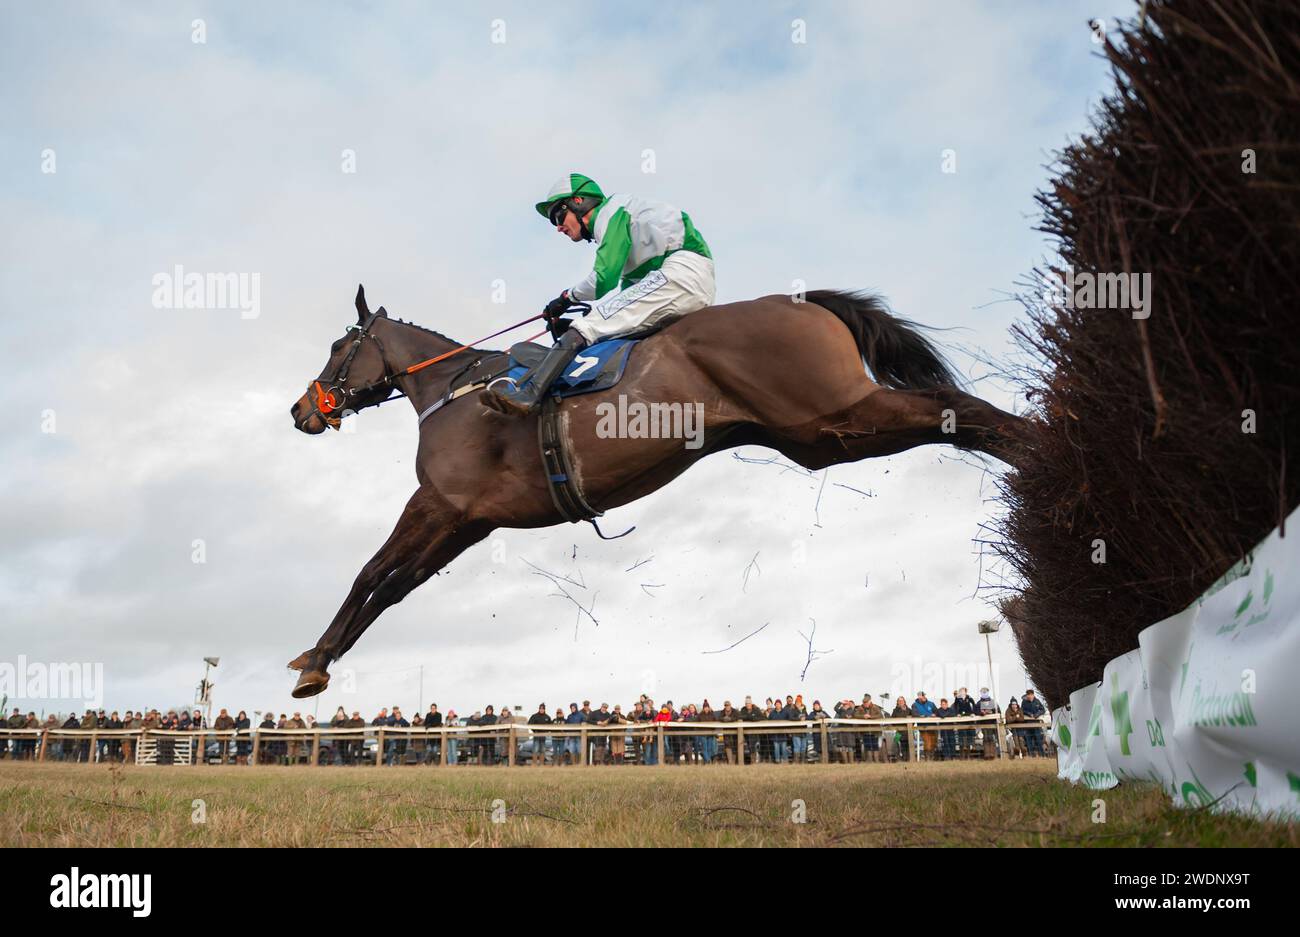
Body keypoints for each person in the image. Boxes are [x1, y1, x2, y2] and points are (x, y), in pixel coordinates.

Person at [481, 172, 715, 416]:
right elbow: (627, 297)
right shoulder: (632, 233)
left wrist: (566, 299)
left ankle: (529, 394)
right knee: (601, 330)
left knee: (587, 326)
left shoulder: (612, 212)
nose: (559, 227)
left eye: (558, 216)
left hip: (681, 275)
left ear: (578, 201)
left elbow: (603, 279)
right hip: (685, 282)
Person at [1020, 689, 1047, 756]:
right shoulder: (1024, 702)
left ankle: (1042, 755)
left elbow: (1043, 709)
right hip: (1027, 724)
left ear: (1033, 695)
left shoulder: (1037, 701)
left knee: (1038, 740)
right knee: (1028, 740)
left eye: (1030, 695)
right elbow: (1022, 710)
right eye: (1028, 695)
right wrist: (1029, 714)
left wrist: (1037, 714)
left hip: (1036, 724)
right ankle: (1031, 756)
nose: (1029, 696)